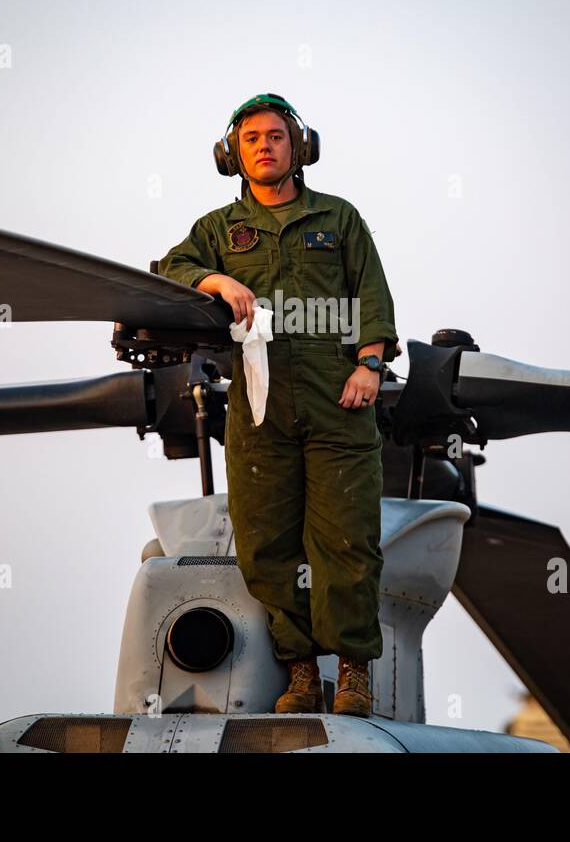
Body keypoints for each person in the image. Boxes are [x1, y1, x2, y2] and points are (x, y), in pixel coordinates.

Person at [157, 93, 399, 716]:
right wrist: (217, 279)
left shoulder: (339, 219)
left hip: (337, 399)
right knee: (265, 543)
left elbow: (370, 293)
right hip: (258, 406)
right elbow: (172, 267)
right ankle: (298, 673)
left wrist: (369, 364)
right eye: (251, 139)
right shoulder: (217, 230)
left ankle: (351, 673)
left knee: (346, 540)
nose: (264, 146)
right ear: (232, 155)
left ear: (299, 147)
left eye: (276, 136)